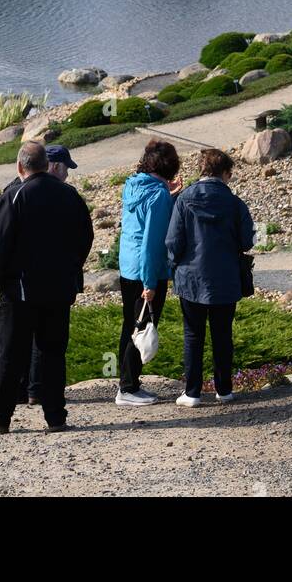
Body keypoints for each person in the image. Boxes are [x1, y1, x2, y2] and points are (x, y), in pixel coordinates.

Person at [0, 140, 93, 435]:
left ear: (20, 166)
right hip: (60, 288)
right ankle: (55, 417)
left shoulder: (15, 194)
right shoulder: (70, 195)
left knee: (11, 352)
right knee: (52, 351)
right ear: (48, 166)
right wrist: (72, 270)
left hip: (21, 289)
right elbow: (85, 238)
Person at [165, 148, 254, 407]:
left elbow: (173, 241)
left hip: (190, 278)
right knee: (222, 334)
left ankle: (192, 392)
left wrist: (175, 267)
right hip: (225, 278)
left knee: (193, 334)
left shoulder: (183, 199)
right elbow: (247, 241)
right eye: (230, 174)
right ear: (225, 173)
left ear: (202, 170)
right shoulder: (235, 203)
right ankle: (224, 389)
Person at [116, 138, 181, 407]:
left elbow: (141, 225)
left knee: (129, 325)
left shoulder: (133, 185)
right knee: (141, 327)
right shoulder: (158, 195)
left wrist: (169, 193)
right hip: (147, 270)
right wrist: (150, 283)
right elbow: (152, 242)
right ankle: (128, 388)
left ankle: (126, 382)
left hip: (127, 266)